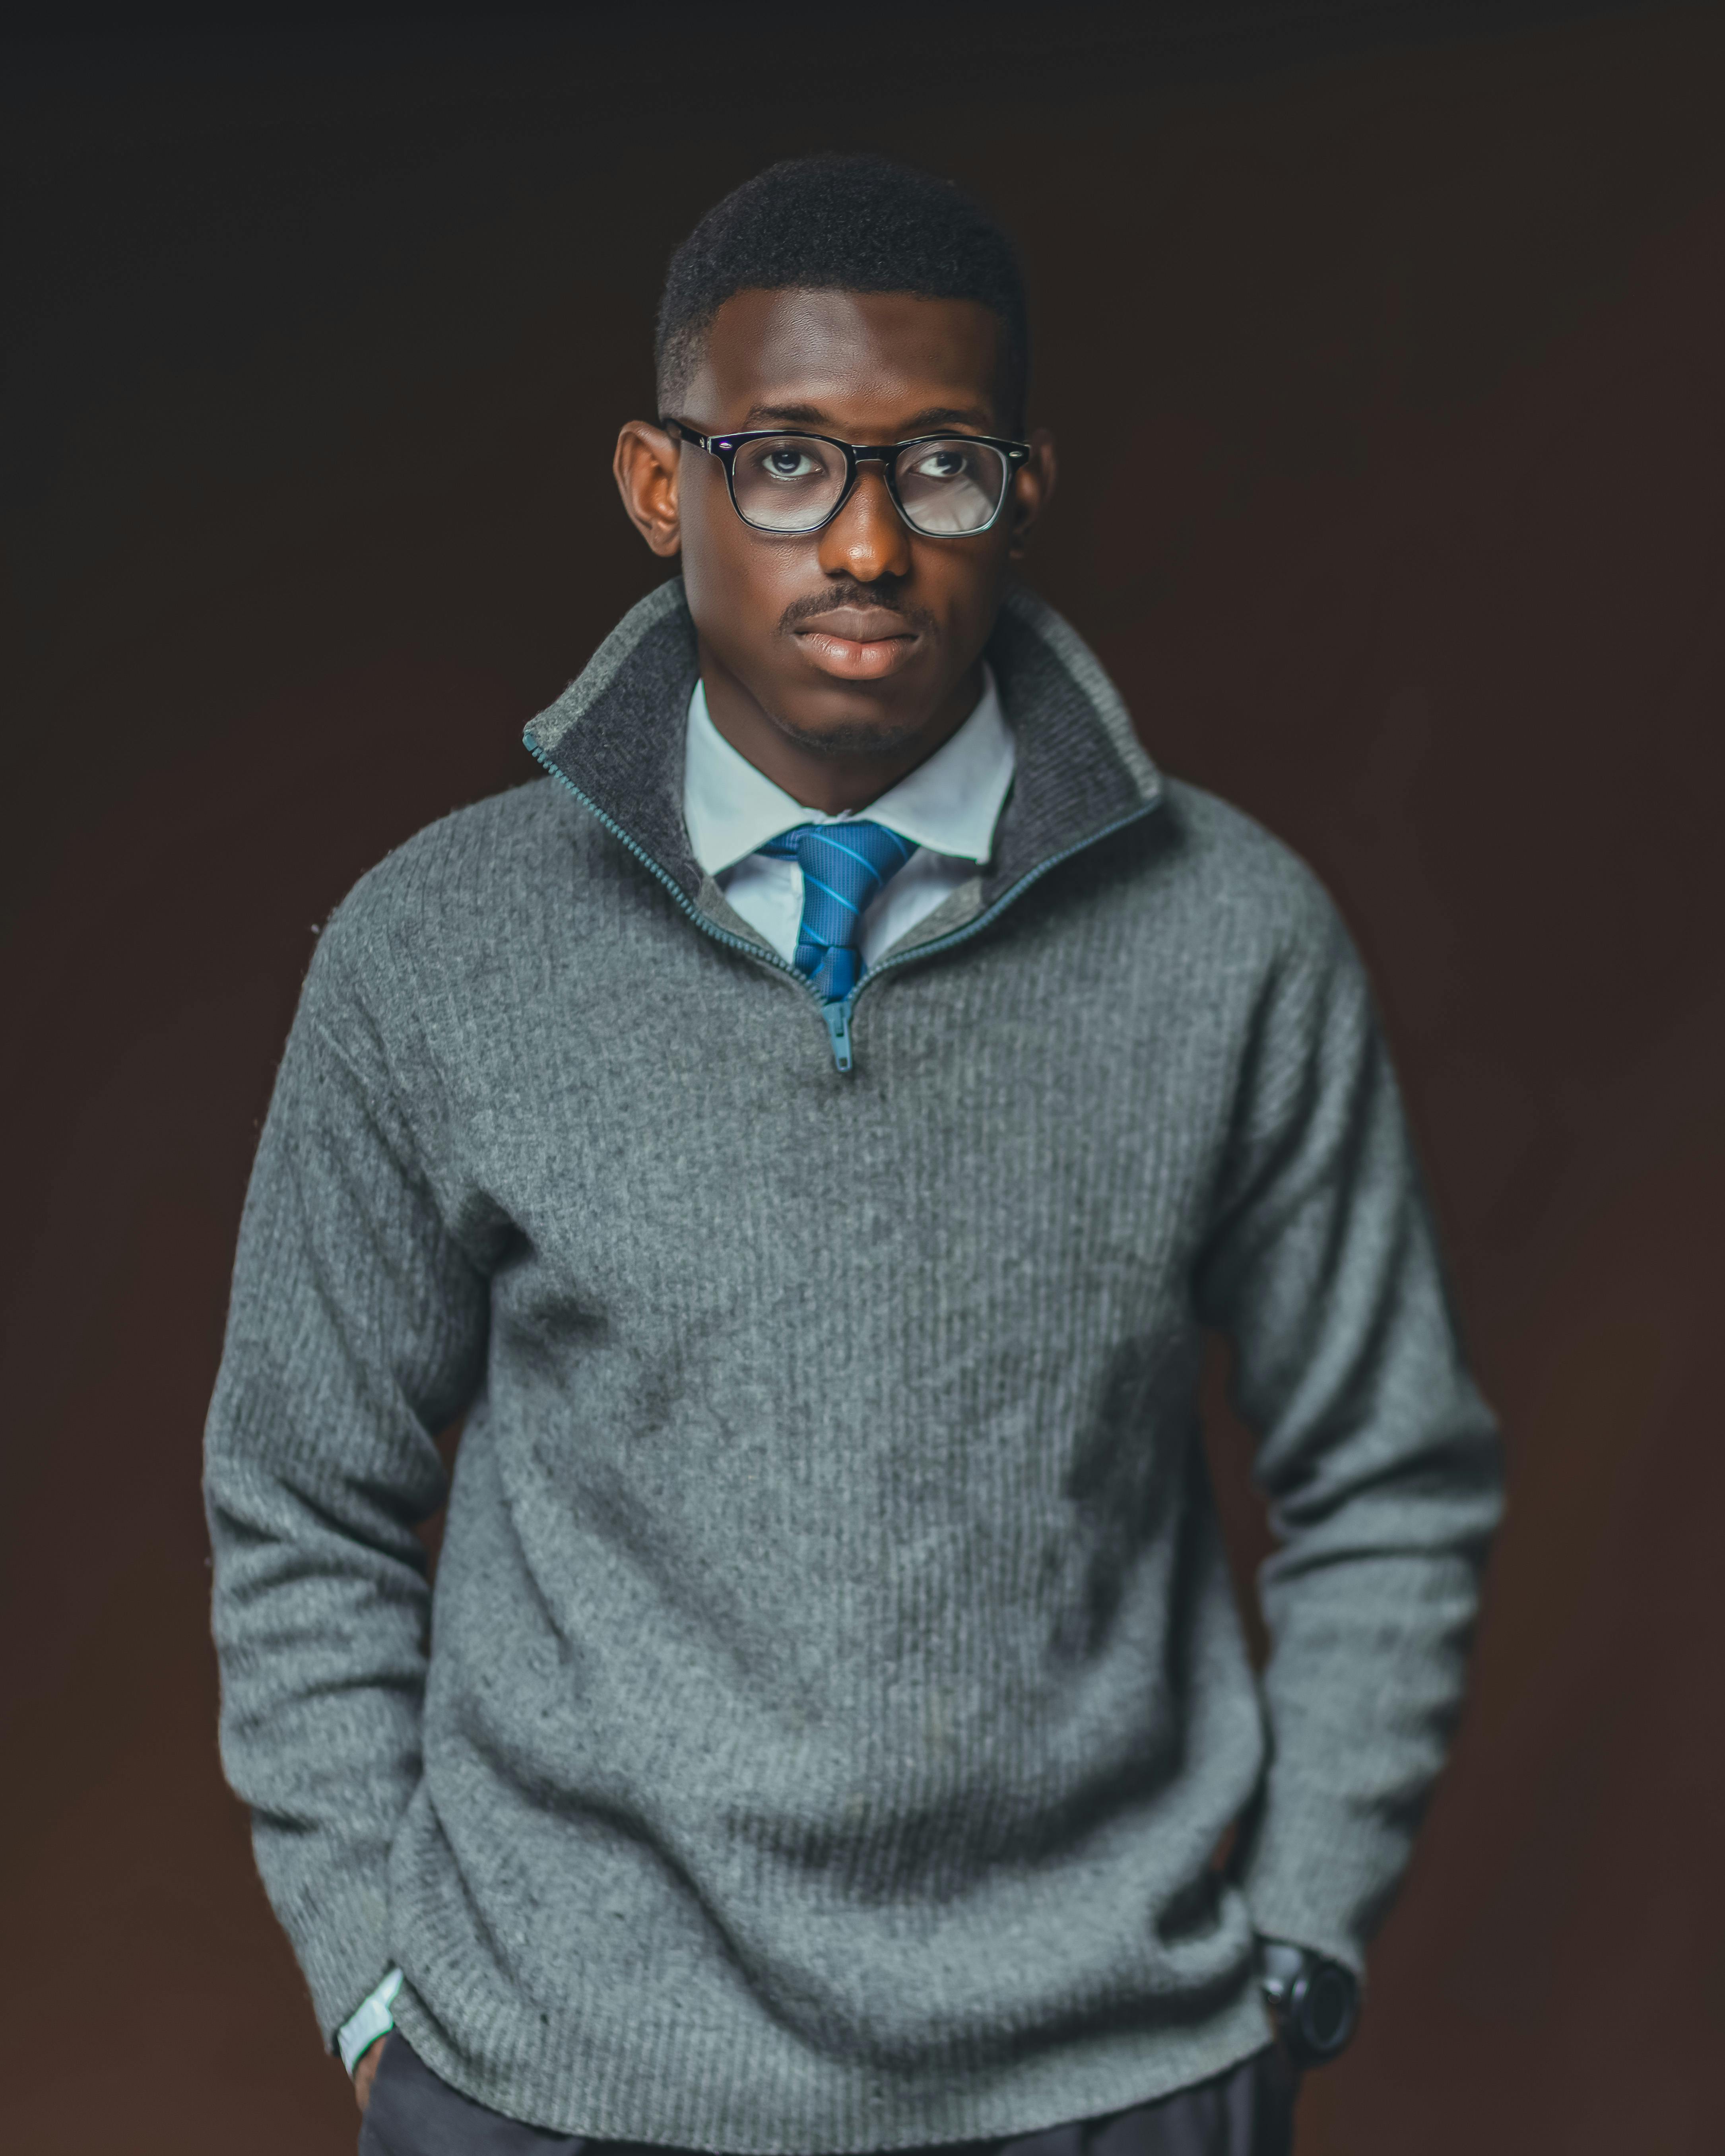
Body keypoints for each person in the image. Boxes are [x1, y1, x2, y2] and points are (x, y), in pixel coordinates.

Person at [204, 154, 1504, 2156]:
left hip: (1111, 2079)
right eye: (786, 462)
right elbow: (301, 1499)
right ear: (661, 488)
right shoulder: (436, 954)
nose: (872, 542)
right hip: (552, 2086)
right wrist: (383, 1994)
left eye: (942, 465)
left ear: (1022, 487)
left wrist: (1295, 1946)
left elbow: (1388, 1478)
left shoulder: (1233, 939)